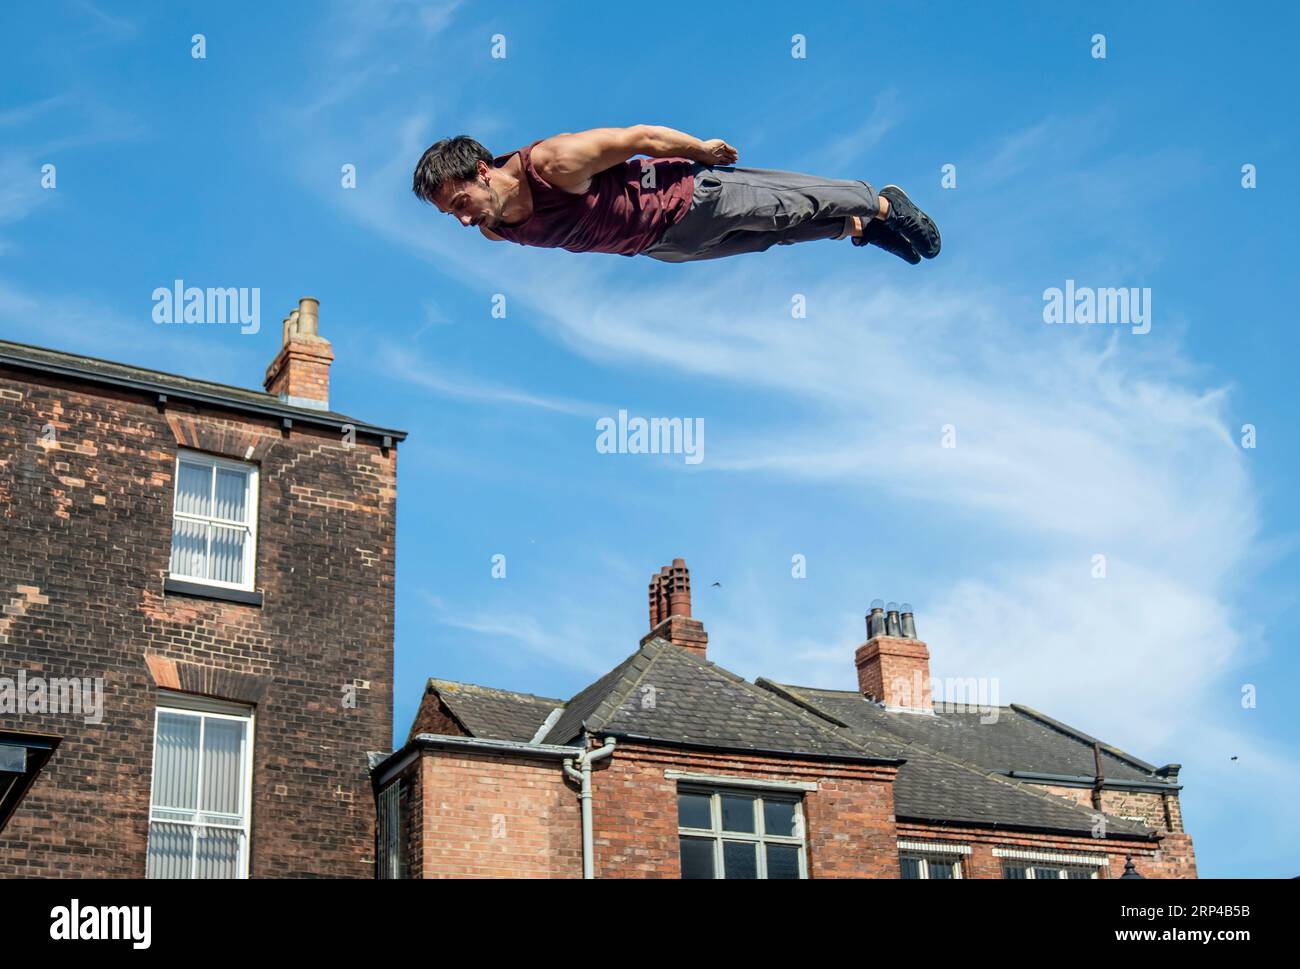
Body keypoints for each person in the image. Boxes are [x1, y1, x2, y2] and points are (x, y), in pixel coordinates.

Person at [411, 124, 940, 265]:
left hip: (688, 196)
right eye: (449, 216)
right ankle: (859, 227)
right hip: (664, 246)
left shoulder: (553, 162)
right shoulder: (494, 228)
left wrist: (702, 152)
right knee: (774, 237)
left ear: (482, 171)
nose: (463, 222)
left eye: (459, 204)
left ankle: (882, 202)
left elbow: (638, 137)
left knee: (788, 203)